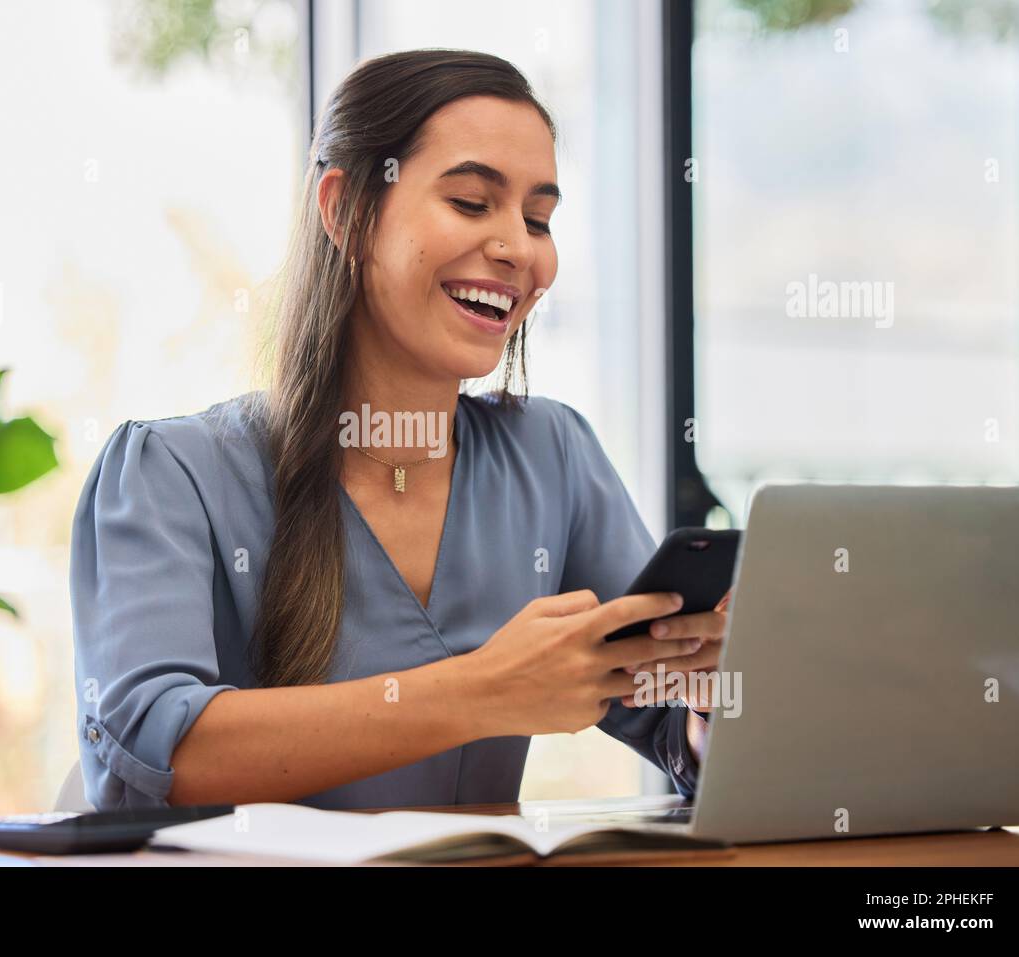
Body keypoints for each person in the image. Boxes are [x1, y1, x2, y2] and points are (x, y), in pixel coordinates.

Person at [69, 49, 726, 812]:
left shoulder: (553, 457)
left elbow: (669, 716)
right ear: (346, 209)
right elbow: (148, 756)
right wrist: (485, 690)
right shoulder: (171, 475)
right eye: (474, 203)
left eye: (539, 218)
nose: (519, 247)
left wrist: (712, 698)